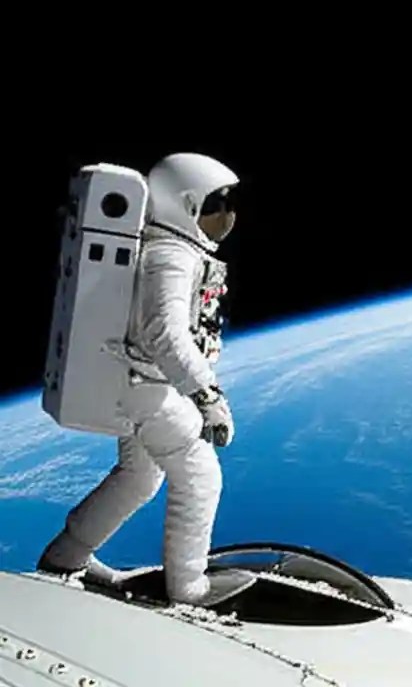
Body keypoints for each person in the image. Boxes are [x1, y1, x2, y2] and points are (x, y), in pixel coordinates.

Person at [37, 153, 256, 607]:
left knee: (140, 476)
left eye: (229, 204)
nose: (227, 216)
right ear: (186, 205)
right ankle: (190, 589)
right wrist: (206, 395)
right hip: (147, 388)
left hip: (141, 383)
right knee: (200, 474)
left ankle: (66, 557)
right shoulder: (171, 256)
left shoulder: (169, 249)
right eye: (217, 205)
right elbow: (163, 332)